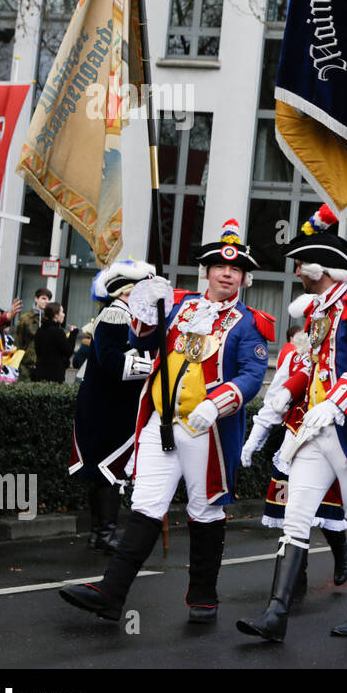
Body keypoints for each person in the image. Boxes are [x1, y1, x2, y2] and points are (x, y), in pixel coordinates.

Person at [59, 220, 273, 624]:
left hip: (206, 430)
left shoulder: (250, 324)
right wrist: (143, 308)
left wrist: (218, 403)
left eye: (235, 270)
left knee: (204, 510)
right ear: (206, 272)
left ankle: (203, 598)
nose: (226, 274)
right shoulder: (176, 305)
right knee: (145, 506)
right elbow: (141, 346)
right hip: (161, 422)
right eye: (219, 267)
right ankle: (111, 592)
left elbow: (250, 374)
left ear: (244, 279)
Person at [237, 205, 347, 642]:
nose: (296, 271)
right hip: (315, 430)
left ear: (317, 268)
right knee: (296, 516)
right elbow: (315, 367)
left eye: (299, 264)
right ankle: (276, 614)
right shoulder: (320, 310)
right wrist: (281, 403)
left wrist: (335, 405)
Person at [241, 314, 347, 603]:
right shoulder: (295, 360)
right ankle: (295, 581)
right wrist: (253, 440)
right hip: (296, 442)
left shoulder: (344, 361)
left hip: (333, 445)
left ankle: (342, 550)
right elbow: (274, 403)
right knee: (292, 514)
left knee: (327, 509)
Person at [68, 260, 156, 554]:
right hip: (109, 404)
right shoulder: (117, 315)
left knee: (102, 470)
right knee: (108, 469)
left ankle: (99, 535)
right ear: (128, 292)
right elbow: (110, 360)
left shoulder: (127, 316)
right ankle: (104, 534)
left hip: (108, 402)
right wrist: (154, 367)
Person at [33, 301, 78, 383]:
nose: (64, 314)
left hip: (40, 374)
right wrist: (73, 335)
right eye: (62, 312)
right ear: (56, 315)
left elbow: (37, 351)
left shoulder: (40, 330)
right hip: (55, 376)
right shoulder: (58, 332)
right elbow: (68, 351)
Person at [14, 287, 52, 381]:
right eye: (43, 298)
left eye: (48, 299)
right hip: (26, 362)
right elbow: (18, 341)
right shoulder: (25, 318)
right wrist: (19, 359)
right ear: (36, 299)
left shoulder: (50, 320)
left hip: (44, 364)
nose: (46, 301)